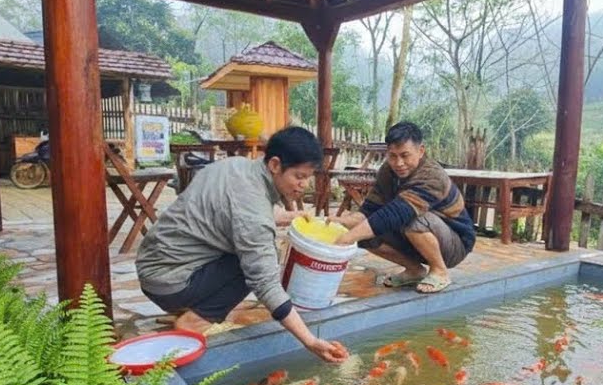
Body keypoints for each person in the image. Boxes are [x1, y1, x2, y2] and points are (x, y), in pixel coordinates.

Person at [137, 126, 349, 364]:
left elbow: (242, 212)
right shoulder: (254, 215)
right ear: (275, 165)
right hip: (170, 283)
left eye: (308, 177)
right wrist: (310, 341)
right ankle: (192, 323)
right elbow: (265, 284)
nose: (304, 185)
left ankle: (187, 309)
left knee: (251, 255)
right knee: (251, 268)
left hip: (152, 266)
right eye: (299, 176)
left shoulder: (237, 166)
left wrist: (295, 217)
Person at [334, 121, 475, 293]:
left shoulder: (432, 176)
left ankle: (440, 270)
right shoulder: (388, 171)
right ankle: (415, 270)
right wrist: (338, 223)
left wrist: (346, 239)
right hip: (418, 237)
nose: (398, 163)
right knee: (363, 236)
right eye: (392, 156)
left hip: (455, 244)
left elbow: (397, 213)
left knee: (411, 219)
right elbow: (368, 212)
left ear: (420, 151)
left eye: (405, 155)